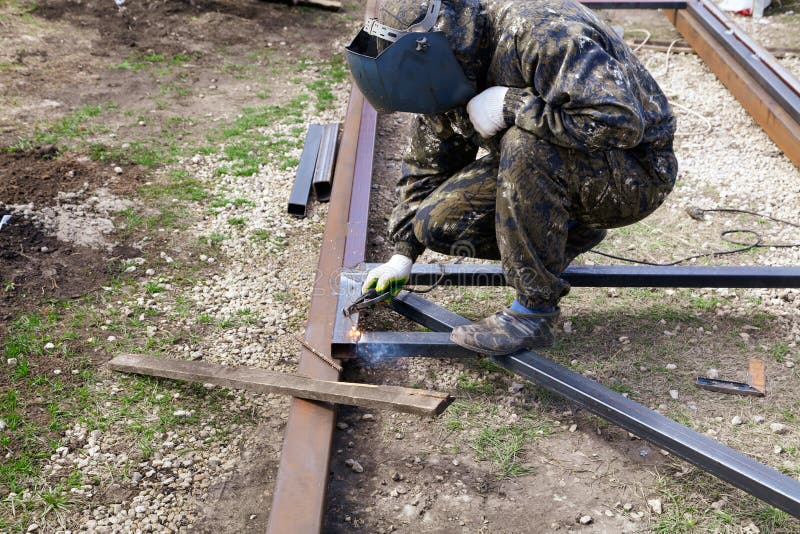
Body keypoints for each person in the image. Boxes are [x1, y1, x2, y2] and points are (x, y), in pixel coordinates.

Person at [344, 0, 678, 356]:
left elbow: (618, 123)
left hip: (632, 174)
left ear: (436, 44)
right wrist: (403, 255)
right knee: (436, 224)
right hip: (556, 162)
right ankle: (571, 230)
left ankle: (533, 313)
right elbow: (429, 164)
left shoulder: (541, 32)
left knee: (523, 143)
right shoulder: (450, 60)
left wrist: (512, 105)